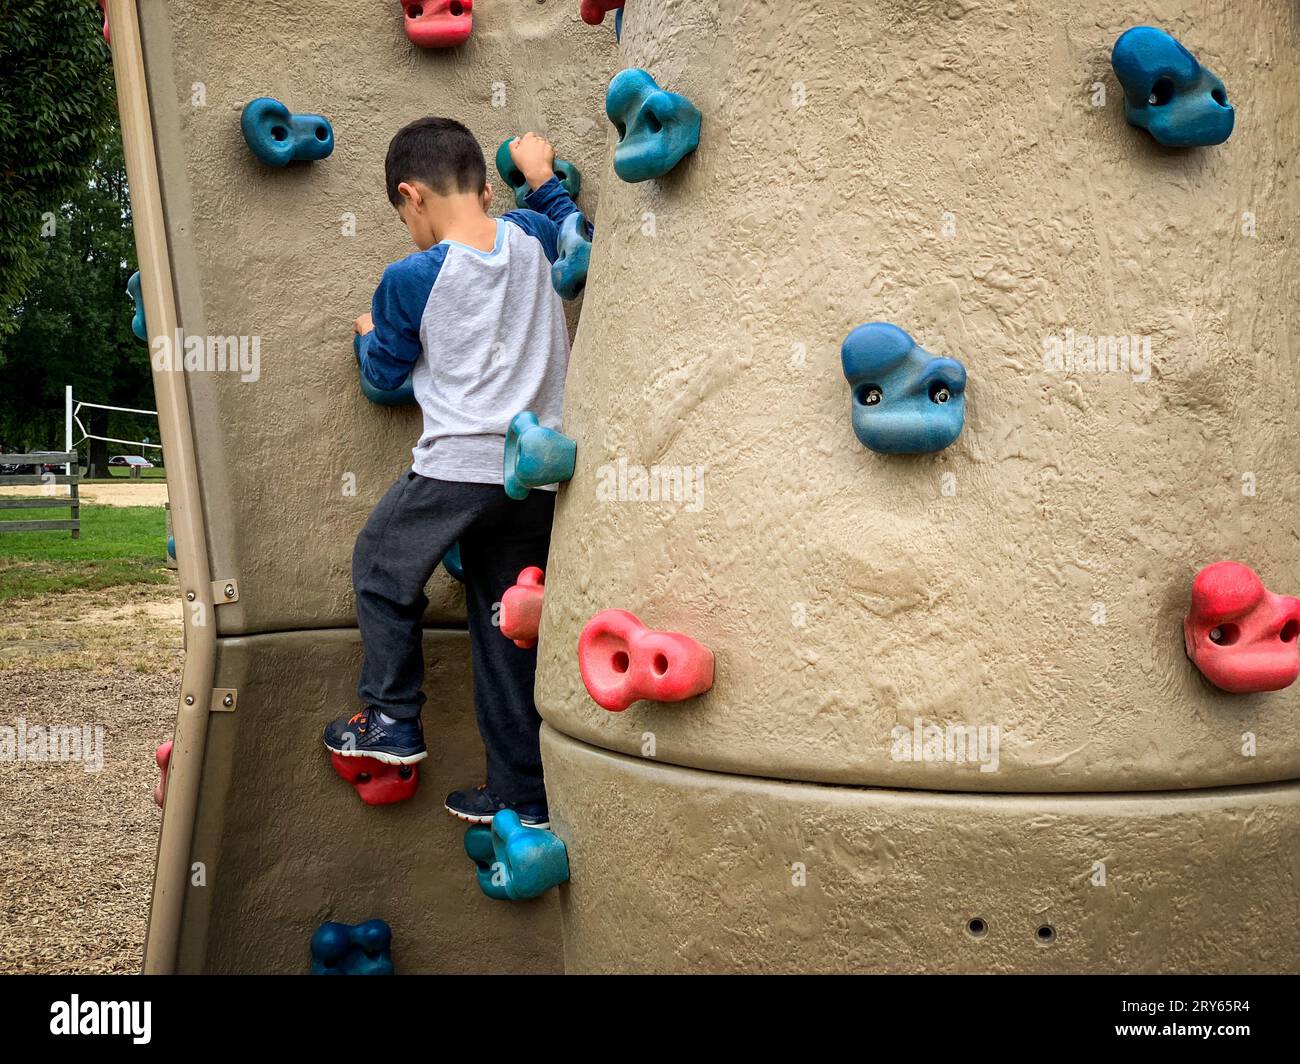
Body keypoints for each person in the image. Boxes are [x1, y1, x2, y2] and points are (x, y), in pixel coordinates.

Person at [323, 118, 578, 829]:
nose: (408, 226)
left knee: (381, 564)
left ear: (413, 196)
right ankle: (520, 793)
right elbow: (576, 228)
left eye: (403, 214)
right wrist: (543, 175)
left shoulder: (410, 278)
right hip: (535, 479)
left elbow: (386, 372)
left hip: (460, 466)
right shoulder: (531, 232)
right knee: (504, 631)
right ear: (486, 188)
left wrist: (368, 335)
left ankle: (391, 719)